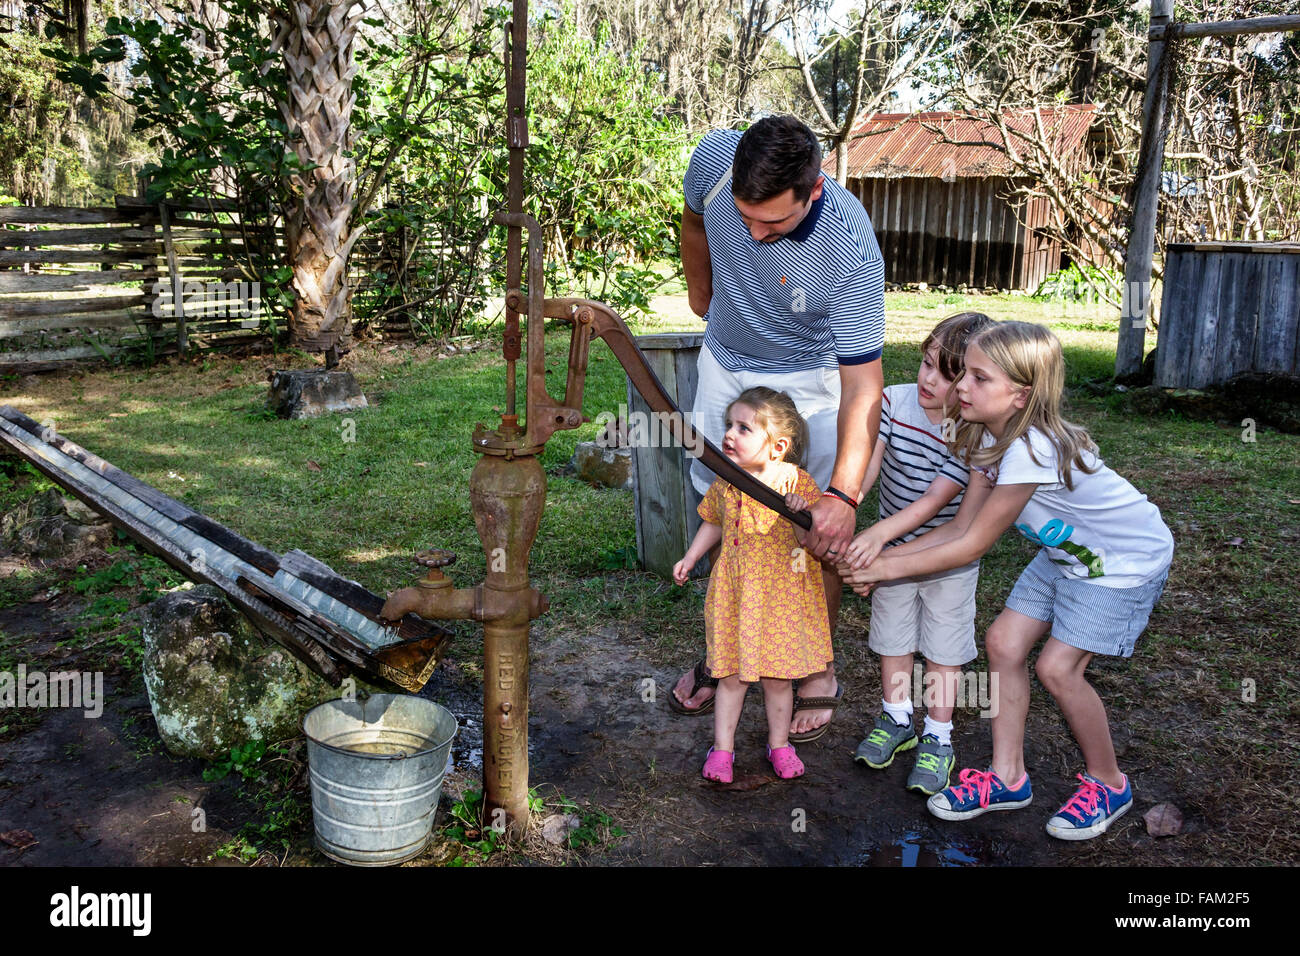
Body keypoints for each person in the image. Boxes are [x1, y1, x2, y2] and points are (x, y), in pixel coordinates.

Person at [839, 322, 1174, 840]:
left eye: (978, 377)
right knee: (1002, 644)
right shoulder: (986, 438)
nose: (961, 387)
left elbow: (973, 546)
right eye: (963, 374)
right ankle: (1008, 776)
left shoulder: (1030, 450)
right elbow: (958, 525)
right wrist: (882, 555)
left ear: (1020, 394)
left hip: (1120, 563)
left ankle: (1110, 783)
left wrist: (879, 568)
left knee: (1058, 670)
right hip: (1066, 554)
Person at [669, 114, 886, 742]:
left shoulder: (848, 248)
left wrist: (844, 497)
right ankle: (726, 651)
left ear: (813, 191)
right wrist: (701, 287)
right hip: (726, 362)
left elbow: (863, 386)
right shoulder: (714, 157)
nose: (757, 233)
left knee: (809, 522)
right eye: (746, 217)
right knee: (723, 504)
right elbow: (690, 215)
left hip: (810, 377)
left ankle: (814, 664)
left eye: (776, 223)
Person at [839, 311, 994, 796]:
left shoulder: (968, 427)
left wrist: (879, 538)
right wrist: (844, 503)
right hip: (893, 552)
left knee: (945, 650)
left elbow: (935, 501)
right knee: (892, 638)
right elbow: (868, 466)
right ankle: (898, 717)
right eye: (927, 363)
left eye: (946, 375)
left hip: (949, 557)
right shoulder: (893, 401)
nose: (929, 379)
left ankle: (940, 736)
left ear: (969, 380)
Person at [673, 387, 832, 782]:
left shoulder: (796, 483)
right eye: (730, 424)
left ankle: (779, 744)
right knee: (731, 677)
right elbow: (713, 521)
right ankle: (722, 750)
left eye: (744, 428)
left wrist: (800, 513)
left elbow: (806, 541)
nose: (729, 434)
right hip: (735, 594)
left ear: (778, 446)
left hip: (780, 599)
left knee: (778, 681)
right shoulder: (727, 480)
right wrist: (691, 558)